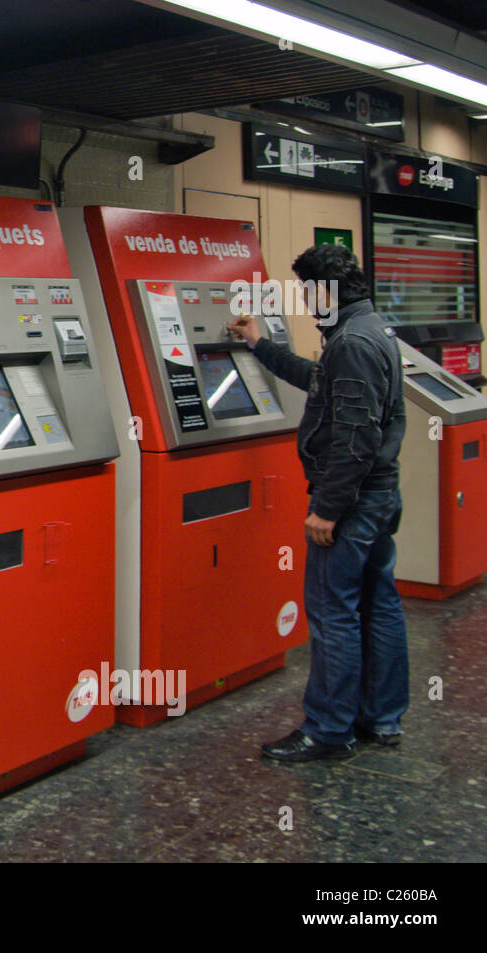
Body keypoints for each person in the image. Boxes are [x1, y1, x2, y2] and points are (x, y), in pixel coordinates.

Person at [227, 244, 408, 762]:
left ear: (325, 292)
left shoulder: (351, 342)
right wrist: (262, 345)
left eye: (307, 292)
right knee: (379, 601)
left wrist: (328, 507)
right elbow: (322, 386)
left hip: (352, 500)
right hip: (378, 494)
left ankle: (328, 730)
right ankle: (382, 717)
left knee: (334, 611)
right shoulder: (371, 330)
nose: (305, 303)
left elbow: (354, 436)